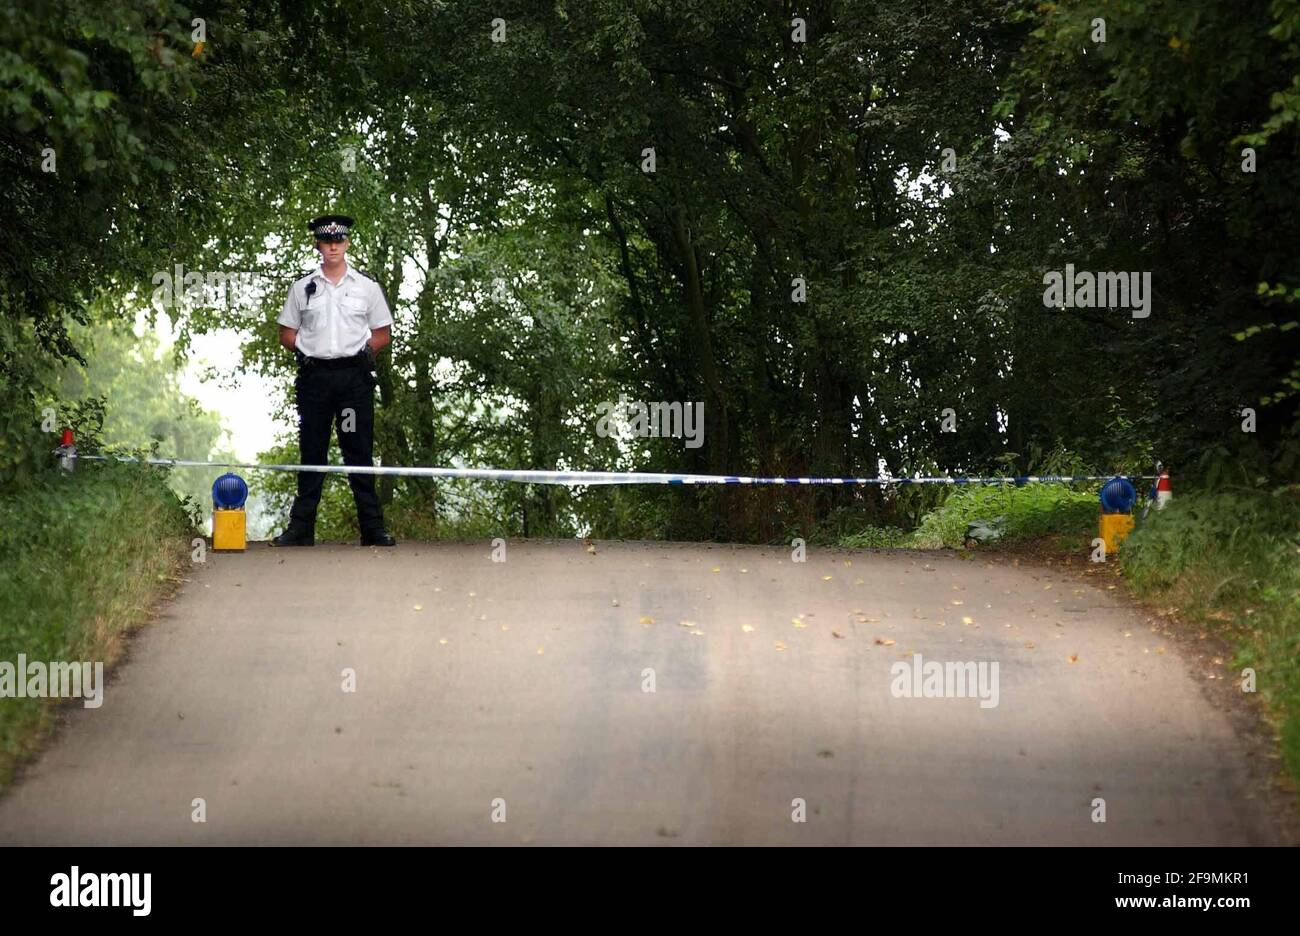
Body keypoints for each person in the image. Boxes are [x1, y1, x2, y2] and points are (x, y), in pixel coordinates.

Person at [270, 214, 396, 547]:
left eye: (338, 241)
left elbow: (382, 333)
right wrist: (306, 350)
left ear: (347, 243)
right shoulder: (302, 288)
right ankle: (301, 529)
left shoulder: (366, 287)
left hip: (353, 381)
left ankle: (372, 528)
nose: (333, 247)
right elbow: (286, 332)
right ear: (318, 245)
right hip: (316, 380)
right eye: (327, 242)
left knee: (358, 451)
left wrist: (366, 355)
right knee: (312, 451)